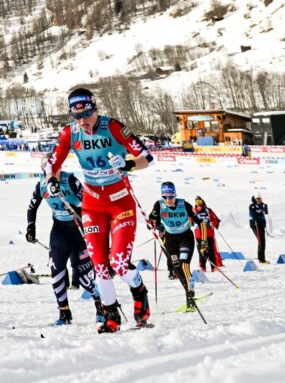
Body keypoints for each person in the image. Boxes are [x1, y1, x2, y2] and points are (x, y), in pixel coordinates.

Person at [46, 87, 154, 333]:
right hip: (93, 205)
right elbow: (52, 164)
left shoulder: (113, 126)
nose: (82, 121)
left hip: (120, 203)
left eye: (86, 114)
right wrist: (51, 179)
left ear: (94, 108)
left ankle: (139, 290)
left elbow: (147, 157)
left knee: (118, 262)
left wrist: (128, 164)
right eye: (77, 116)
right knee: (99, 265)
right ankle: (110, 315)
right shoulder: (69, 133)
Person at [25, 167, 104, 325]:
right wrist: (31, 226)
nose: (52, 173)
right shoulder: (41, 185)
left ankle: (100, 306)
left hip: (79, 231)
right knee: (56, 272)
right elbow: (32, 207)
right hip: (59, 232)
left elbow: (91, 201)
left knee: (85, 279)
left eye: (56, 168)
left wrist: (80, 209)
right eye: (47, 170)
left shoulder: (70, 180)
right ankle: (64, 312)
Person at [147, 182, 197, 310]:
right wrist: (154, 226)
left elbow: (200, 222)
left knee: (184, 264)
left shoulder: (184, 204)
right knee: (178, 270)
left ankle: (190, 295)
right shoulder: (159, 205)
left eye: (170, 196)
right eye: (165, 197)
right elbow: (152, 219)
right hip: (170, 240)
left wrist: (203, 243)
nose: (168, 200)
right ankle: (188, 290)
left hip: (186, 237)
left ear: (175, 194)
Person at [191, 197, 222, 271]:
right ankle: (203, 266)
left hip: (209, 234)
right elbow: (190, 221)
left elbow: (215, 220)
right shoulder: (193, 211)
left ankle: (213, 266)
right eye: (197, 203)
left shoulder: (208, 210)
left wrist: (213, 223)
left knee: (211, 250)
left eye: (199, 202)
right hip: (199, 234)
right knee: (202, 251)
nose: (198, 204)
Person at [248, 195, 269, 263]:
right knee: (260, 241)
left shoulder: (263, 205)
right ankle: (261, 259)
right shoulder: (252, 205)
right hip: (255, 224)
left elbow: (266, 213)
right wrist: (255, 219)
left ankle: (261, 258)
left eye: (259, 199)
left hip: (261, 224)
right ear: (255, 199)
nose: (258, 200)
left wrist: (265, 208)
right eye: (257, 199)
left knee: (262, 241)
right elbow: (252, 214)